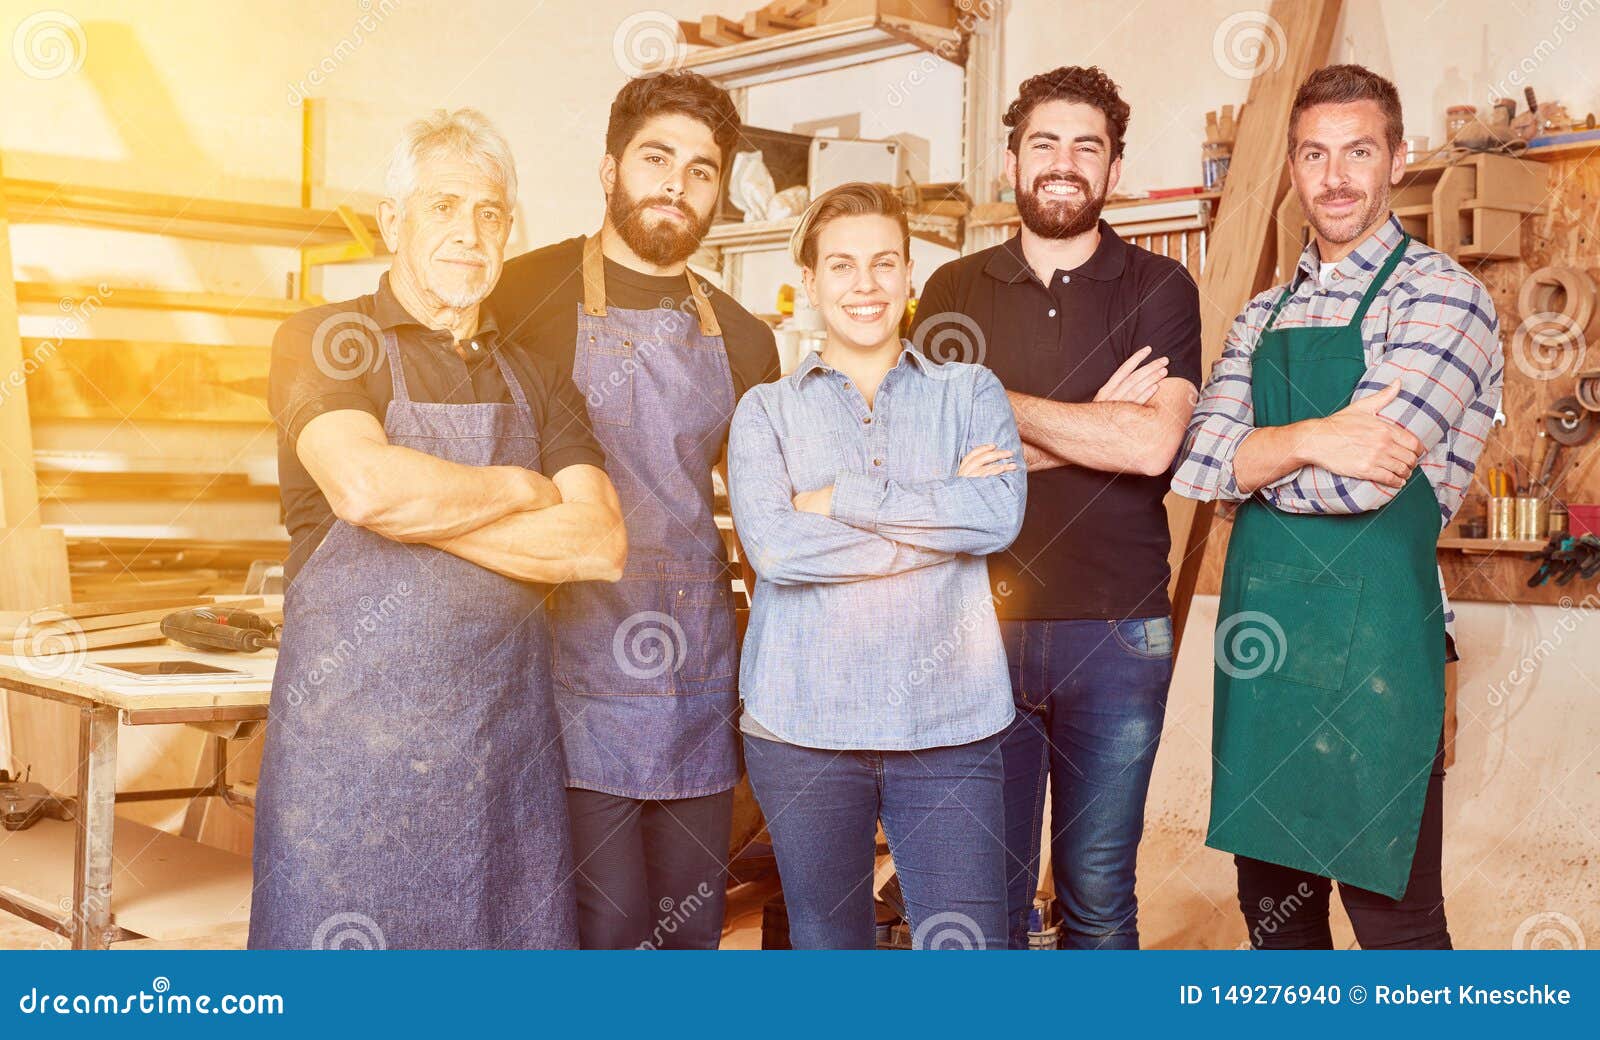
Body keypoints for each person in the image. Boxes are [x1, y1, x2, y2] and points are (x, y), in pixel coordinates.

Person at [252, 108, 627, 950]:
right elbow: (365, 487)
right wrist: (517, 485)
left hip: (504, 774)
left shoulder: (536, 379)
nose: (470, 232)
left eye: (490, 213)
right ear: (393, 221)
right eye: (443, 206)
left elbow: (597, 544)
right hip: (348, 772)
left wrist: (423, 511)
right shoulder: (323, 339)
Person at [1172, 64, 1502, 949]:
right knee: (1273, 918)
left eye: (1358, 150)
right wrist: (1318, 435)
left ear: (1396, 157)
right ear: (1291, 168)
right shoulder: (1259, 315)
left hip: (1377, 661)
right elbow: (1198, 466)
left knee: (1394, 922)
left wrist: (1262, 453)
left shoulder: (1445, 296)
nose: (1336, 176)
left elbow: (1367, 480)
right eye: (1314, 154)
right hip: (1263, 656)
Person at [909, 66, 1200, 949]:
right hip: (972, 627)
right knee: (984, 896)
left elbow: (1153, 446)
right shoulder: (955, 288)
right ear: (1011, 161)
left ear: (1114, 169)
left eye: (1088, 146)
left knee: (1099, 895)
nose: (1064, 163)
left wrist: (993, 403)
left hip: (1115, 634)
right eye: (1045, 143)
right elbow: (931, 465)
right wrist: (1093, 419)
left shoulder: (1161, 285)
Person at [489, 71, 778, 950]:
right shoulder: (517, 296)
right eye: (657, 158)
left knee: (690, 932)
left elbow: (769, 513)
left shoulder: (743, 334)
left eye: (701, 169)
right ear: (610, 167)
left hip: (691, 669)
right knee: (602, 925)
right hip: (558, 660)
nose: (677, 185)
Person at [729, 182, 1027, 950]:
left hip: (949, 722)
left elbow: (997, 516)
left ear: (908, 276)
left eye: (884, 263)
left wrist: (842, 497)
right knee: (833, 956)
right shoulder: (765, 411)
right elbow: (778, 549)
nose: (865, 285)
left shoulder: (971, 391)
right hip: (803, 724)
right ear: (811, 281)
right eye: (842, 265)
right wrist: (942, 524)